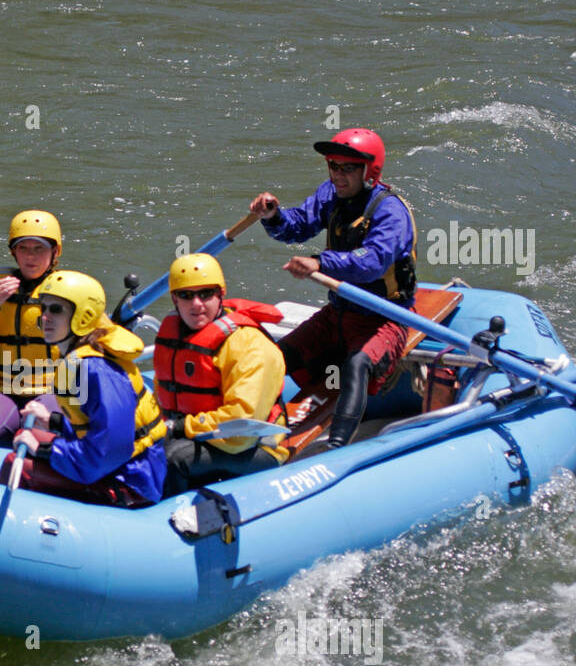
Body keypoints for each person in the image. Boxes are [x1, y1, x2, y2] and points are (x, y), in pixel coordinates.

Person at [249, 127, 418, 448]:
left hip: (385, 316)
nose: (338, 175)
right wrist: (273, 216)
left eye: (348, 168)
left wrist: (320, 262)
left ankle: (337, 447)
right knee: (274, 356)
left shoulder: (390, 211)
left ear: (371, 170)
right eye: (333, 165)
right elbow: (297, 225)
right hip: (339, 313)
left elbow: (373, 261)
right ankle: (244, 425)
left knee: (356, 365)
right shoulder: (331, 195)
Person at [0, 270, 168, 507]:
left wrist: (46, 452)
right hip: (118, 466)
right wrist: (54, 422)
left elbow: (109, 451)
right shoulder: (81, 358)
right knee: (23, 436)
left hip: (132, 480)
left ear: (83, 316)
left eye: (55, 310)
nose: (44, 317)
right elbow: (96, 425)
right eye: (43, 309)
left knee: (16, 464)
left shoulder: (97, 369)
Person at [154, 253, 289, 495]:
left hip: (250, 447)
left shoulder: (249, 345)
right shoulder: (176, 338)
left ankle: (160, 521)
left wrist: (180, 427)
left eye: (206, 294)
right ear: (174, 298)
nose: (196, 304)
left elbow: (240, 428)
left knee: (175, 458)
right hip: (193, 433)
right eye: (186, 295)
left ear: (221, 294)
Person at [0, 210, 64, 446]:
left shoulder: (70, 293)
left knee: (44, 434)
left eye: (39, 248)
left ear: (55, 252)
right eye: (23, 248)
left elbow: (100, 336)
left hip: (53, 389)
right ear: (13, 252)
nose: (31, 256)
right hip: (3, 389)